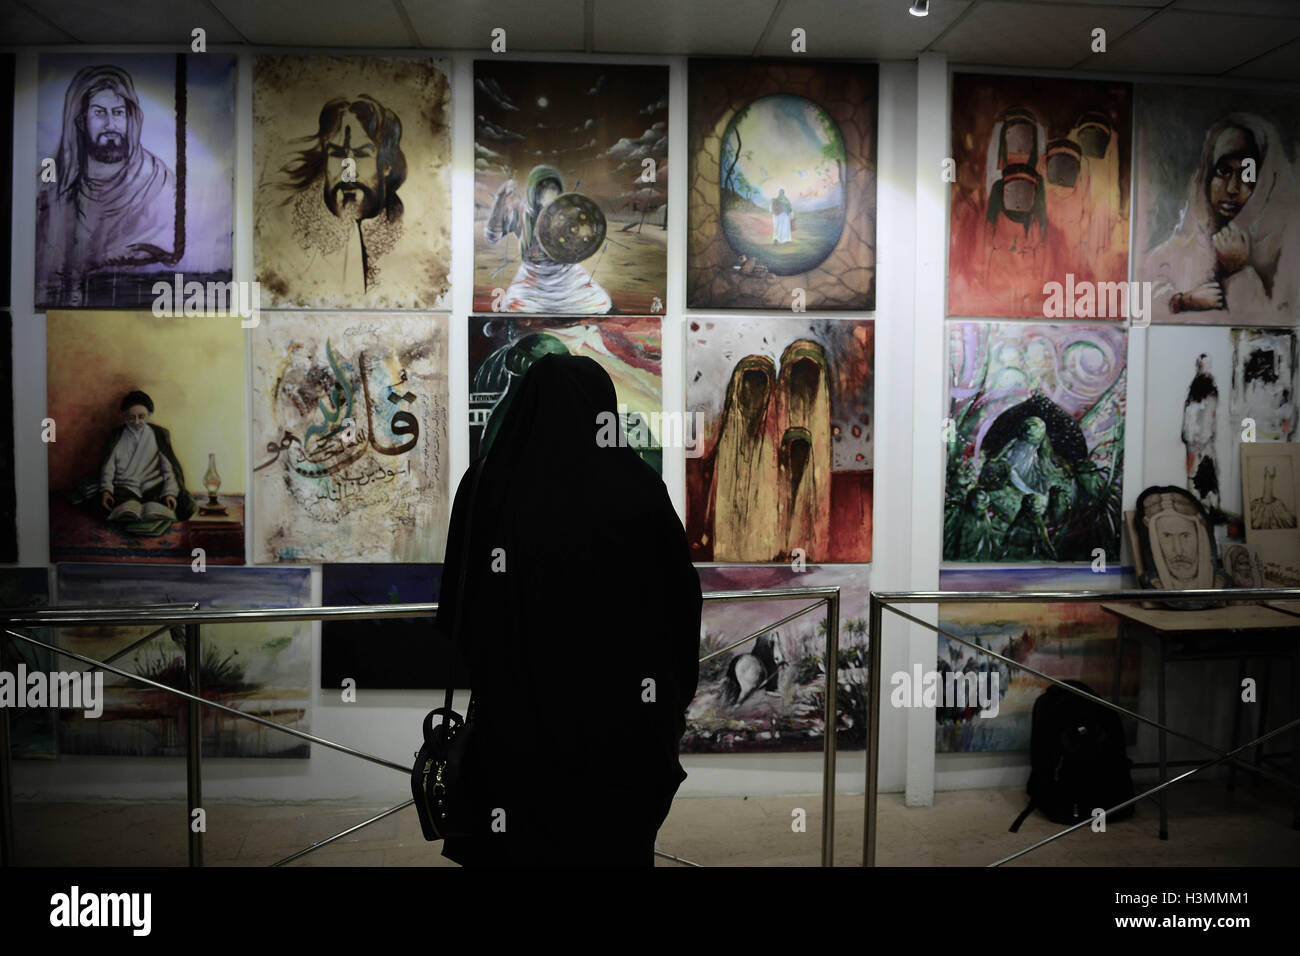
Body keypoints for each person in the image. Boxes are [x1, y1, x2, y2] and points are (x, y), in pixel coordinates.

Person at [437, 354, 701, 867]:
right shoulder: (638, 488)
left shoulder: (486, 486)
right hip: (619, 743)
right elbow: (679, 607)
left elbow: (458, 612)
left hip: (513, 740)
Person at [37, 65, 177, 308]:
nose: (111, 124)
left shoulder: (156, 181)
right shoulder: (53, 186)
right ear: (81, 120)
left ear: (130, 117)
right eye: (100, 113)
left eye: (119, 113)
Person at [1148, 113, 1300, 322]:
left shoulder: (1286, 257)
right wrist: (1182, 301)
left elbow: (1273, 328)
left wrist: (1239, 271)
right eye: (1223, 171)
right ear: (1207, 176)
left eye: (1247, 174)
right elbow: (1144, 312)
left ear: (1265, 182)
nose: (1232, 188)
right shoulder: (1169, 255)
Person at [274, 95, 407, 295]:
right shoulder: (290, 242)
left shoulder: (410, 238)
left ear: (386, 165)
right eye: (337, 154)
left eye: (361, 154)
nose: (348, 172)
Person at [485, 165, 613, 313]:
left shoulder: (569, 211)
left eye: (554, 188)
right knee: (516, 306)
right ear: (534, 190)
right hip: (532, 277)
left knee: (600, 302)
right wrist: (501, 198)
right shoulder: (520, 211)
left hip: (566, 274)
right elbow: (492, 236)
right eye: (544, 188)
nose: (549, 192)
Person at [98, 390, 196, 522]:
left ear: (149, 415)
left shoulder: (159, 434)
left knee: (167, 509)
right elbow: (108, 468)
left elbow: (168, 470)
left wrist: (169, 493)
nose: (137, 422)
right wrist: (106, 491)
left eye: (141, 416)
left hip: (154, 488)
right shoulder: (116, 436)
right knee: (121, 512)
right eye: (131, 417)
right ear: (124, 416)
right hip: (125, 488)